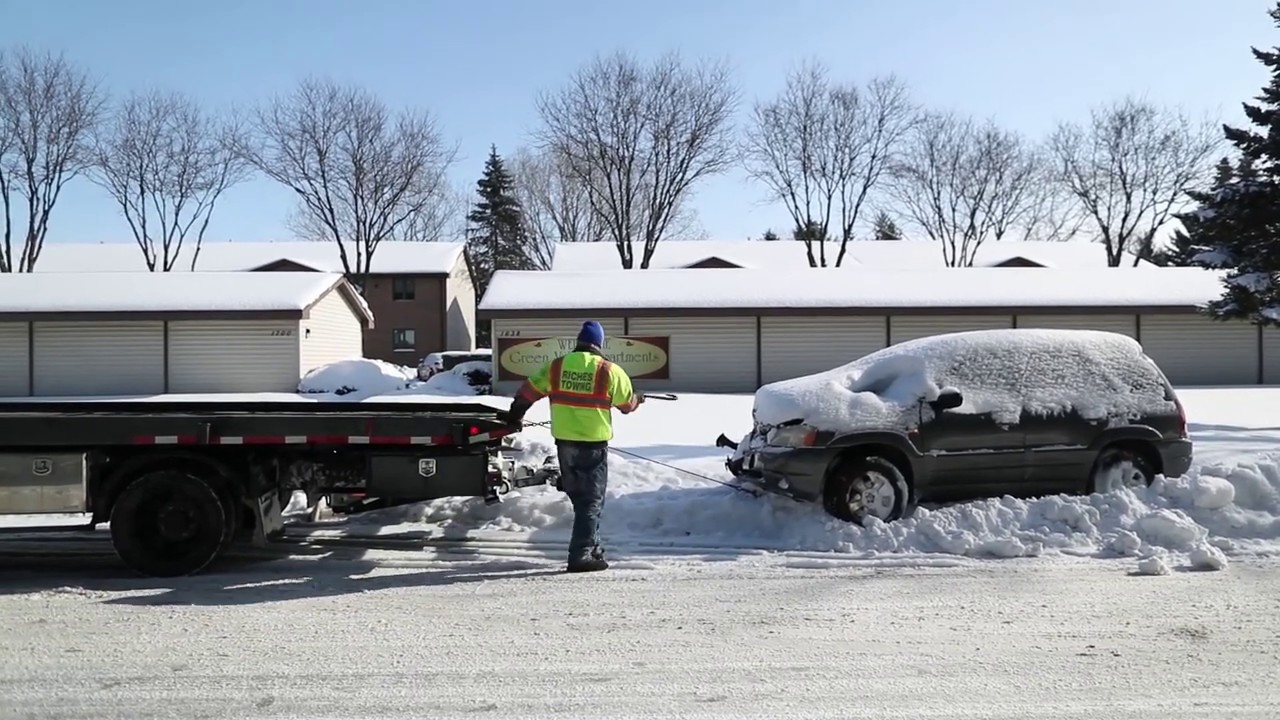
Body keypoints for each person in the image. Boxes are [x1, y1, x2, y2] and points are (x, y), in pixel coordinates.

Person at [498, 320, 643, 573]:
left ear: (579, 341)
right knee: (591, 501)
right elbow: (627, 405)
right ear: (598, 344)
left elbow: (527, 393)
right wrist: (638, 398)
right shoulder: (609, 370)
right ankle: (581, 555)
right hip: (592, 445)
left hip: (564, 443)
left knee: (580, 499)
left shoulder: (557, 366)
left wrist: (515, 416)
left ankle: (592, 547)